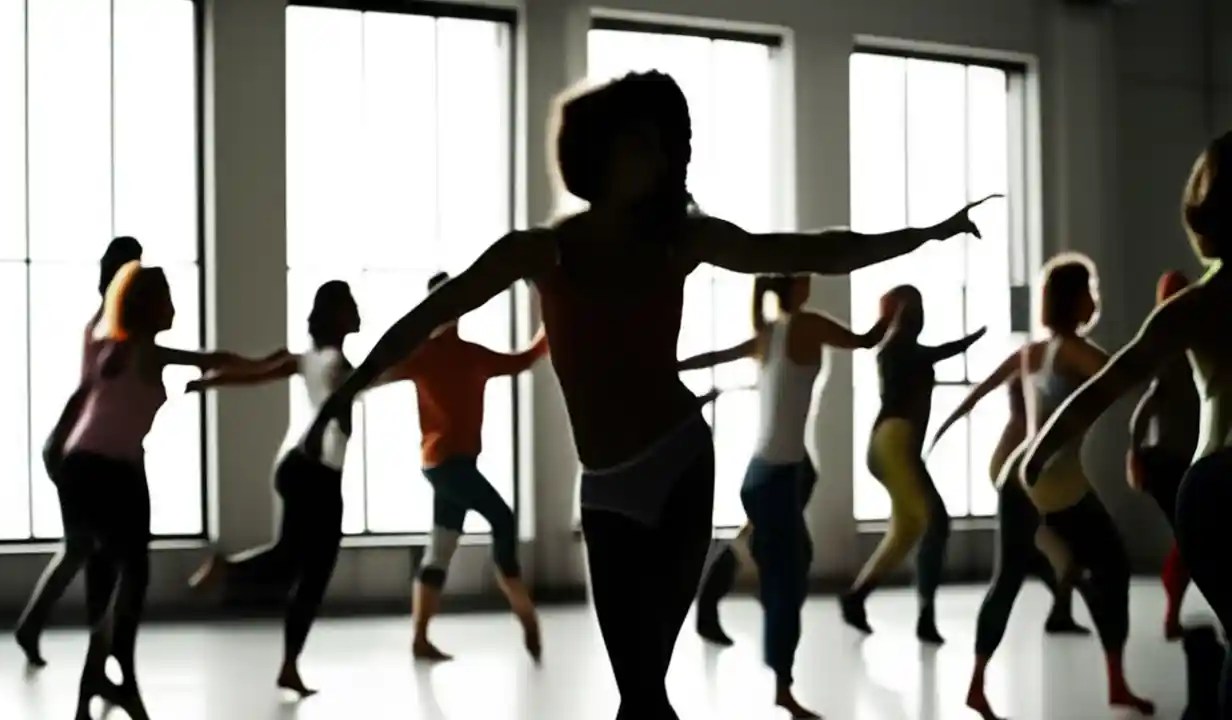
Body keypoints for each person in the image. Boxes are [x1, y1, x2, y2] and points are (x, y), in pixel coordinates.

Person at [301, 71, 996, 719]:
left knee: (645, 688)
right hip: (606, 487)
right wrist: (346, 394)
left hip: (681, 465)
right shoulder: (539, 251)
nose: (653, 156)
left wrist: (926, 234)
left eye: (659, 145)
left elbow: (813, 247)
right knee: (639, 693)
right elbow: (422, 323)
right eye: (638, 142)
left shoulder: (680, 241)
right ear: (599, 151)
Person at [1023, 131, 1232, 718]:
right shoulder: (1189, 305)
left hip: (1213, 485)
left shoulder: (1194, 305)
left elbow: (1108, 384)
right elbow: (1110, 384)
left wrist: (1042, 446)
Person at [61, 261, 280, 720]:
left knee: (107, 579)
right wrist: (267, 363)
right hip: (109, 469)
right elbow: (213, 357)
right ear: (149, 307)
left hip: (80, 466)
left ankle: (95, 685)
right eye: (167, 297)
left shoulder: (108, 346)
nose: (174, 305)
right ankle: (119, 675)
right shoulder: (144, 351)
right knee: (132, 576)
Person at [940, 254, 1147, 719]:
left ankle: (976, 685)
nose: (1095, 298)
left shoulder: (1031, 351)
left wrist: (948, 424)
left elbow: (984, 388)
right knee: (1112, 565)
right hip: (1055, 480)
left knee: (1007, 579)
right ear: (1074, 299)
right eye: (1089, 289)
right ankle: (1116, 682)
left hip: (1018, 475)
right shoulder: (1074, 350)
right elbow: (1126, 375)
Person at [677, 274, 889, 718]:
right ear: (796, 285)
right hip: (774, 480)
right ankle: (783, 688)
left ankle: (755, 555)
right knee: (787, 585)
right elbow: (868, 339)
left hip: (770, 474)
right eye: (805, 273)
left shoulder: (768, 332)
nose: (812, 278)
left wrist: (669, 367)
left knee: (799, 554)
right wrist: (898, 312)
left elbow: (717, 355)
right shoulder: (807, 324)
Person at [183, 280, 360, 697]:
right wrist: (319, 430)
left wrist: (211, 382)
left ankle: (288, 666)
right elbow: (336, 406)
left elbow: (254, 372)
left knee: (290, 562)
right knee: (311, 572)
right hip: (318, 470)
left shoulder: (304, 359)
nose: (358, 311)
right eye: (350, 305)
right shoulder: (338, 364)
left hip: (293, 467)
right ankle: (231, 576)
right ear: (336, 314)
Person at [378, 271, 549, 662]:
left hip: (453, 464)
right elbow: (379, 372)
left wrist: (550, 324)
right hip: (444, 464)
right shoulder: (420, 355)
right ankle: (526, 614)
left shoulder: (472, 354)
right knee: (502, 519)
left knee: (440, 548)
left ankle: (420, 639)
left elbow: (522, 360)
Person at [929, 268, 1096, 641]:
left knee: (1054, 549)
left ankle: (1060, 611)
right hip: (1015, 464)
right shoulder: (1037, 355)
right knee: (1059, 554)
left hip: (1035, 466)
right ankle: (1059, 609)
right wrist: (943, 428)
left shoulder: (1050, 353)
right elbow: (981, 390)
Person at [14, 237, 144, 668]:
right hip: (88, 451)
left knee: (80, 548)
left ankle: (36, 627)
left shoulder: (102, 322)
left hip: (74, 445)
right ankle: (100, 651)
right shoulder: (116, 327)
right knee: (103, 556)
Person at [841, 285, 986, 643]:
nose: (920, 315)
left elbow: (929, 355)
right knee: (936, 520)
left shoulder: (901, 349)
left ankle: (856, 597)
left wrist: (966, 343)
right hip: (893, 442)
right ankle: (925, 615)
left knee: (907, 529)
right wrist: (969, 341)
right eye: (915, 307)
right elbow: (931, 355)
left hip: (896, 446)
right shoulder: (894, 350)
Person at [1126, 270, 1199, 640]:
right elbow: (1145, 408)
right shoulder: (1175, 354)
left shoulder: (1181, 348)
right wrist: (1134, 454)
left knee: (1190, 541)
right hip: (1168, 463)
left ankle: (1172, 615)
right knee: (1190, 541)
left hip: (1180, 462)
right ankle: (1171, 617)